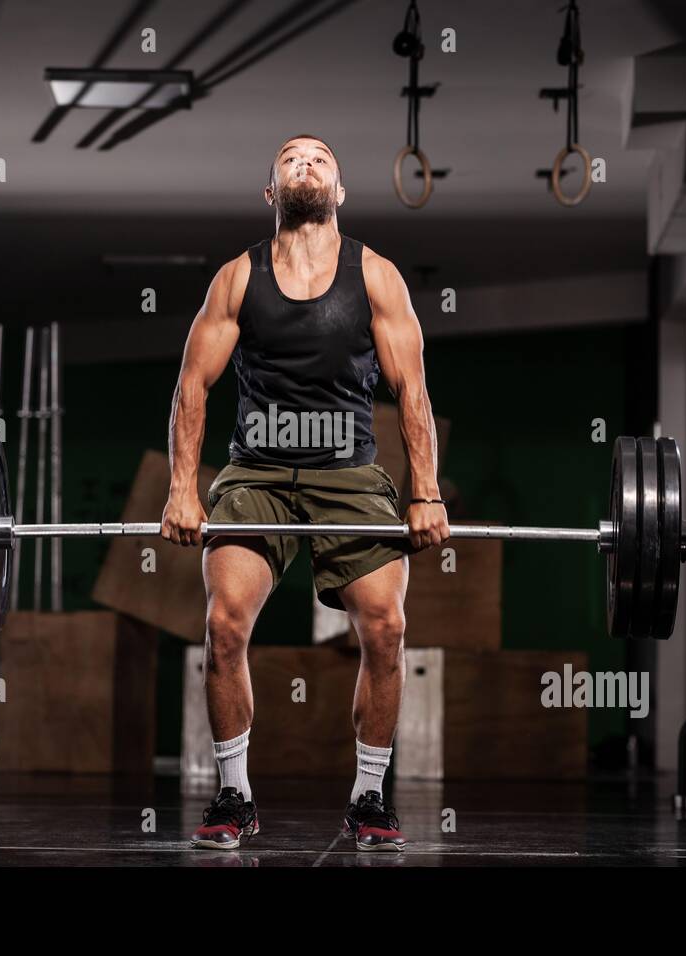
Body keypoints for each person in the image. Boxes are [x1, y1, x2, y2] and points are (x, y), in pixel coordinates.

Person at [162, 135, 448, 852]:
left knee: (386, 627)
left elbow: (412, 390)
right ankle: (235, 793)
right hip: (256, 473)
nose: (305, 166)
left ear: (340, 190)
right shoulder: (237, 278)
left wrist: (427, 493)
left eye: (319, 159)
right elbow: (191, 387)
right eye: (290, 159)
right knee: (225, 624)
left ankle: (370, 798)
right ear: (271, 194)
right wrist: (181, 489)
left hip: (348, 475)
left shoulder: (376, 277)